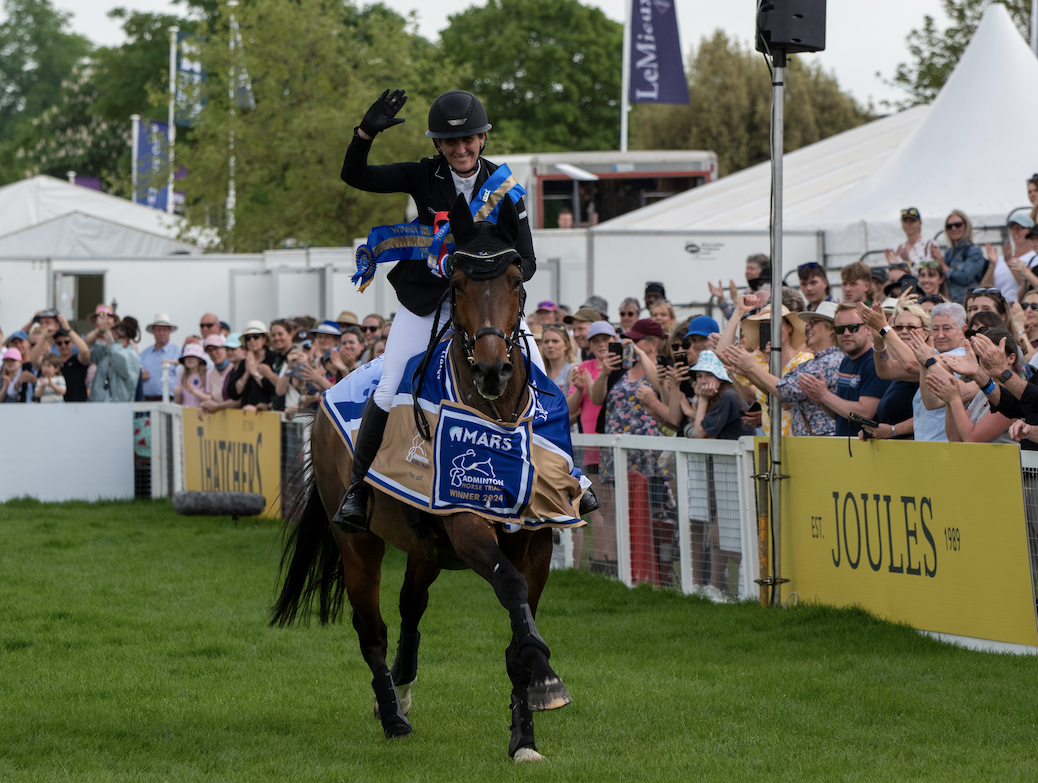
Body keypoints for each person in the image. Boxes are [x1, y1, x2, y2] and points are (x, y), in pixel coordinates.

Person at [338, 87, 555, 531]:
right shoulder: (423, 175)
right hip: (427, 302)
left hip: (485, 310)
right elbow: (355, 176)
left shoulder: (506, 189)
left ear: (483, 138)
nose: (461, 148)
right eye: (451, 141)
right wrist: (364, 135)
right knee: (389, 386)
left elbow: (528, 261)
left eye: (469, 139)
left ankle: (566, 475)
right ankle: (358, 488)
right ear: (438, 144)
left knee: (540, 378)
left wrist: (488, 270)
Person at [716, 296, 812, 436]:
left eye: (776, 323)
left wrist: (754, 370)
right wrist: (739, 311)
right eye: (765, 325)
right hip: (769, 440)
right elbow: (722, 354)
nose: (772, 329)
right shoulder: (758, 360)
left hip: (797, 440)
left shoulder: (805, 361)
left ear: (790, 327)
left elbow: (786, 403)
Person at [800, 304, 890, 437]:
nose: (846, 333)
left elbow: (865, 413)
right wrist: (822, 401)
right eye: (840, 329)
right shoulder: (846, 361)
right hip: (845, 445)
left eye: (853, 328)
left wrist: (825, 396)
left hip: (866, 446)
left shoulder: (874, 363)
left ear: (868, 329)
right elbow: (840, 413)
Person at [926, 326, 1017, 445]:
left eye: (991, 353)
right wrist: (950, 398)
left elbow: (972, 440)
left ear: (1011, 358)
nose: (985, 359)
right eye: (980, 354)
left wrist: (954, 399)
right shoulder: (984, 393)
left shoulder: (1015, 394)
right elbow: (955, 439)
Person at [688, 351, 752, 440]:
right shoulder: (717, 395)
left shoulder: (727, 395)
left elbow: (699, 434)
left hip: (737, 448)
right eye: (699, 376)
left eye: (709, 375)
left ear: (720, 378)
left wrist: (703, 399)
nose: (703, 381)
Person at [933, 210, 985, 303]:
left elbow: (965, 277)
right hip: (950, 303)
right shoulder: (948, 252)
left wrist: (943, 265)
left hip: (968, 304)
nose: (953, 228)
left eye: (958, 225)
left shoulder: (974, 251)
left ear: (966, 226)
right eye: (949, 226)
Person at [227, 320, 278, 411]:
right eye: (248, 338)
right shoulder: (244, 362)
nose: (252, 340)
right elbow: (233, 393)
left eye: (256, 336)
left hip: (268, 414)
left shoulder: (274, 358)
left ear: (264, 338)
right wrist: (247, 373)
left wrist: (255, 373)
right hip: (247, 414)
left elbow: (275, 390)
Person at [89, 317, 142, 402]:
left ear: (125, 339)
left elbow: (119, 358)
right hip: (98, 405)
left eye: (114, 339)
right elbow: (89, 345)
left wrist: (106, 330)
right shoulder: (107, 352)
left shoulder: (132, 355)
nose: (109, 341)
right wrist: (99, 330)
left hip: (120, 407)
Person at [140, 314, 181, 400]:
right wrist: (140, 375)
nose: (161, 333)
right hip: (147, 400)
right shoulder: (144, 353)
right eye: (158, 330)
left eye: (164, 330)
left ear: (169, 331)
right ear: (153, 331)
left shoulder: (179, 352)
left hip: (171, 400)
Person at [886, 207, 938, 272]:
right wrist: (893, 266)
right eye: (905, 221)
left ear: (920, 223)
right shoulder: (898, 249)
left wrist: (909, 261)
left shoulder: (929, 244)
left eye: (912, 221)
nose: (908, 224)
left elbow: (931, 272)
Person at [200, 335, 239, 414]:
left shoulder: (234, 368)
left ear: (224, 348)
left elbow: (238, 399)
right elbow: (212, 398)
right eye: (209, 350)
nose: (213, 353)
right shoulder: (211, 373)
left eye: (216, 348)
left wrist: (218, 406)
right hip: (220, 418)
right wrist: (203, 405)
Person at [540, 324, 577, 392]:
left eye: (555, 341)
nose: (550, 345)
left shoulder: (573, 370)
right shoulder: (540, 372)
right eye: (546, 341)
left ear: (566, 345)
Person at [174, 344, 210, 408]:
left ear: (200, 359)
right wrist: (177, 394)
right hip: (186, 412)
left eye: (193, 357)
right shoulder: (182, 375)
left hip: (201, 412)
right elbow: (179, 402)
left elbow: (209, 398)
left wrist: (193, 391)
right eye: (187, 357)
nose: (190, 359)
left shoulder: (207, 374)